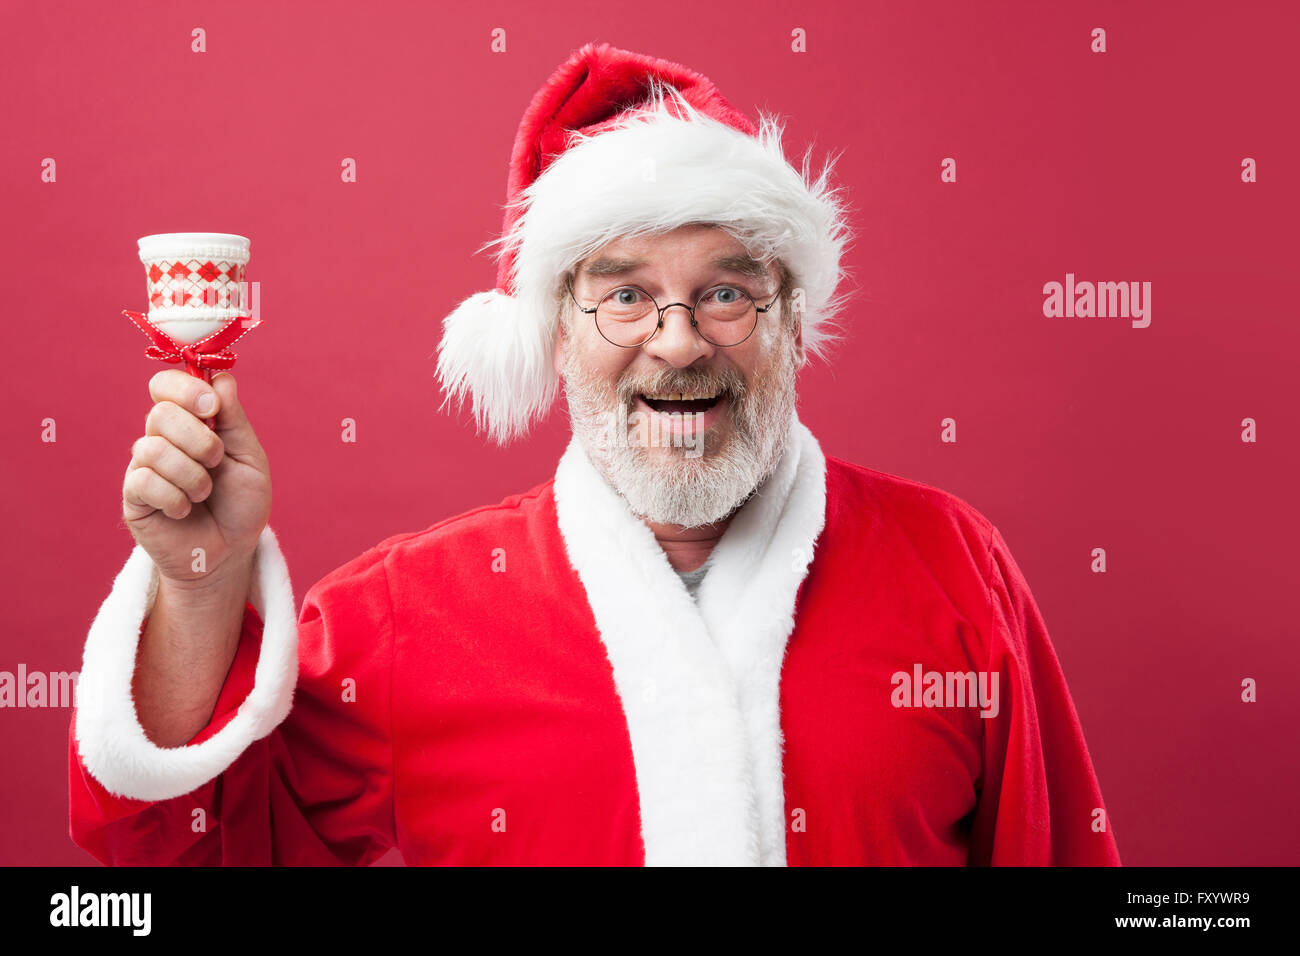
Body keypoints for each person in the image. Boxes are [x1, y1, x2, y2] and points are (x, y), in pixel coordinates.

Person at [68, 42, 1121, 866]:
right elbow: (174, 858)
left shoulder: (951, 565)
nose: (676, 339)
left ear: (795, 318)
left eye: (725, 291)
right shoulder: (408, 614)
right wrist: (196, 582)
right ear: (555, 331)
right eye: (623, 294)